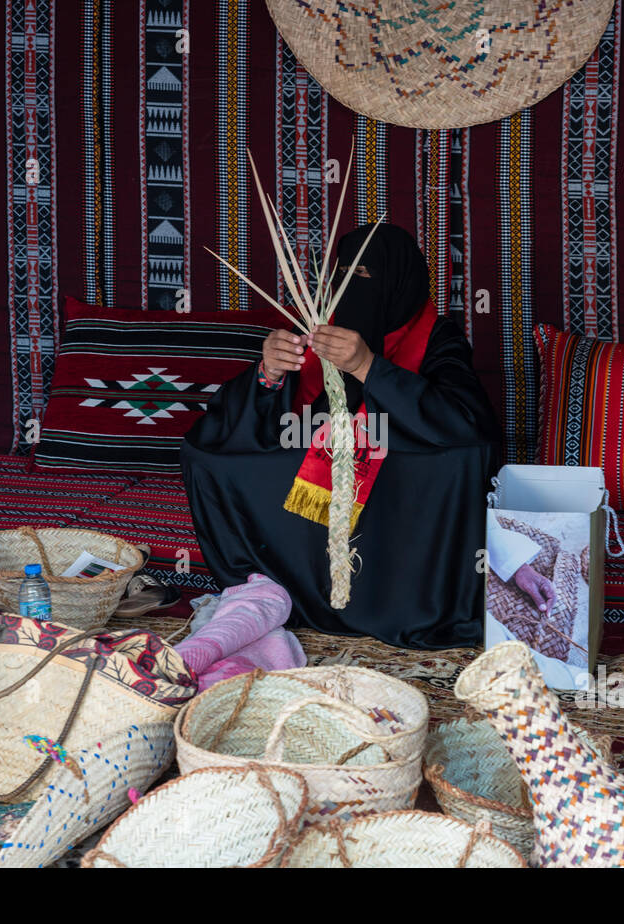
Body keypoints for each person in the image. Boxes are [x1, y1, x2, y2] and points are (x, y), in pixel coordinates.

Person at [180, 223, 499, 649]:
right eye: (344, 276)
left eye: (365, 276)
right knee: (208, 453)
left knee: (457, 461)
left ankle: (393, 600)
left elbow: (464, 423)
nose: (354, 290)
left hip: (402, 473)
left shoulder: (437, 337)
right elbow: (250, 418)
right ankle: (273, 586)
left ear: (401, 278)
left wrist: (368, 365)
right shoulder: (318, 331)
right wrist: (270, 372)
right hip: (312, 452)